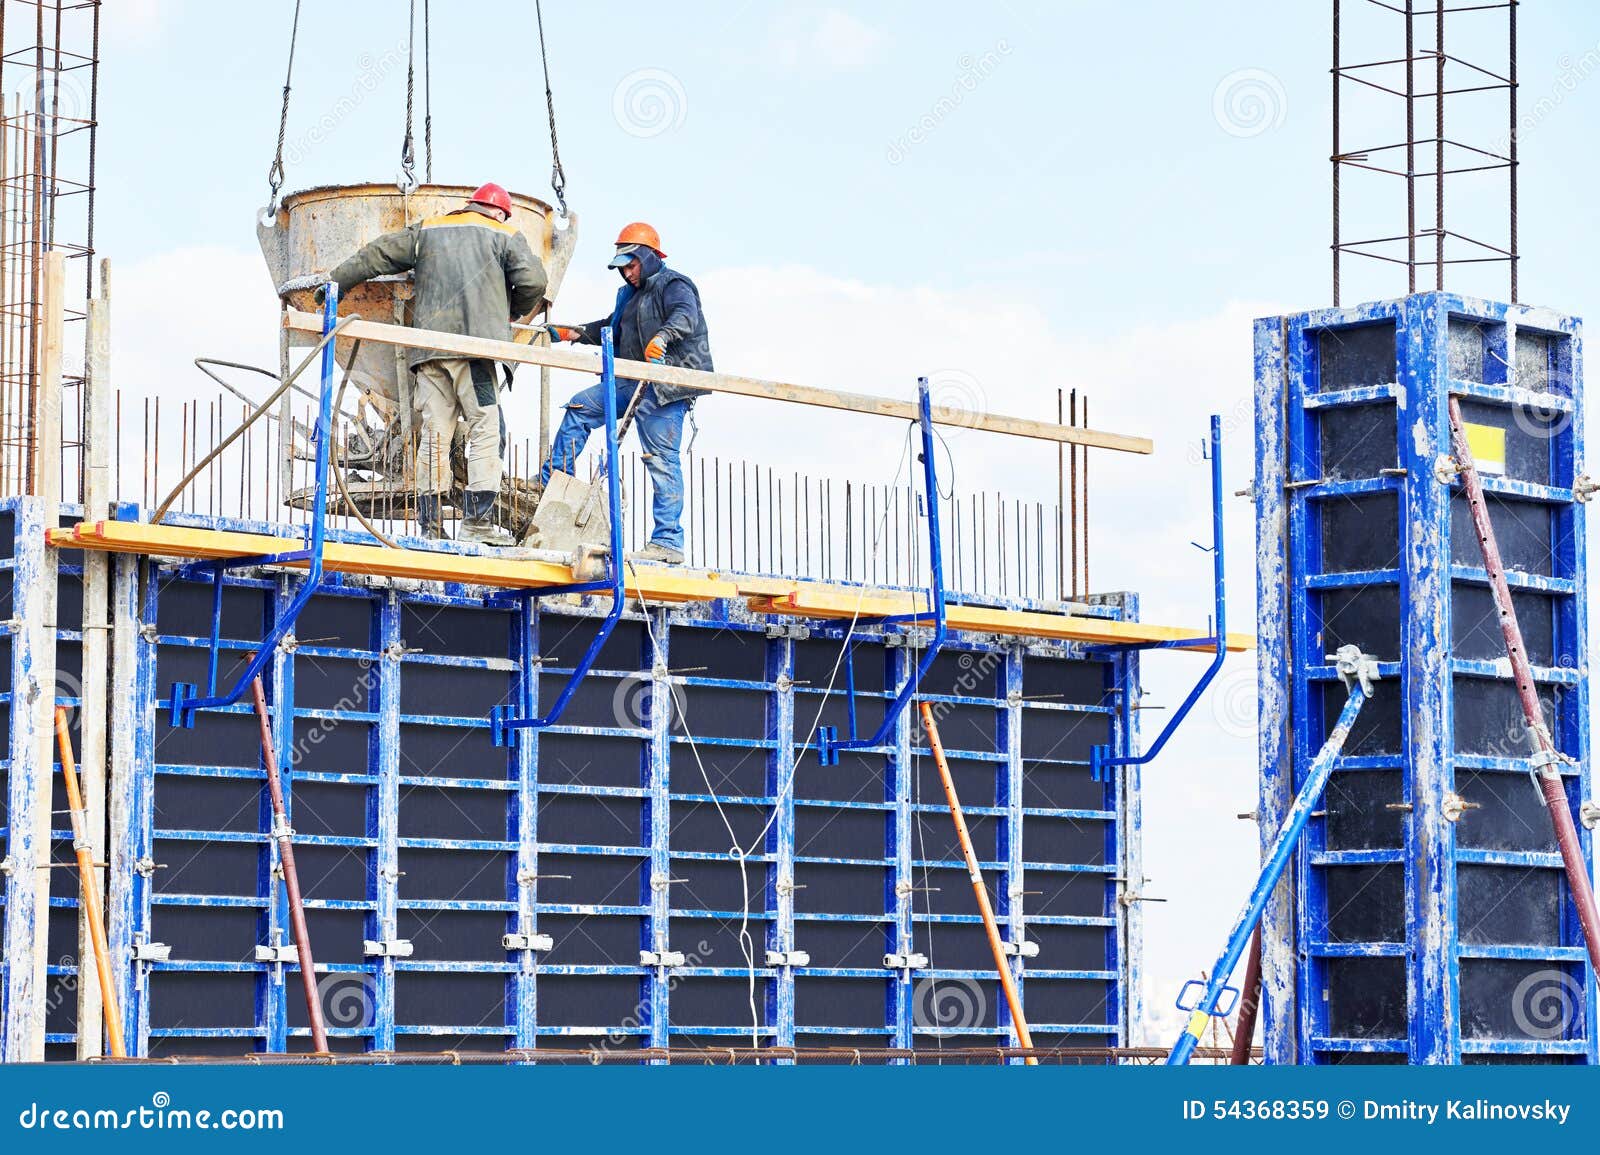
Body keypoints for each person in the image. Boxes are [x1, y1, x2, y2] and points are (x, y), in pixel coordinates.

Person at [319, 182, 547, 544]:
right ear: (500, 211)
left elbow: (378, 253)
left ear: (470, 206)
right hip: (475, 351)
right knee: (486, 429)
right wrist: (509, 312)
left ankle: (430, 527)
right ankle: (476, 525)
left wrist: (336, 282)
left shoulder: (430, 229)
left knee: (434, 436)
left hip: (426, 353)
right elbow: (534, 281)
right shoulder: (505, 234)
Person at [544, 222, 711, 564]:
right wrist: (574, 333)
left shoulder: (674, 284)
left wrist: (662, 338)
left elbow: (686, 316)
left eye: (631, 265)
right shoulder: (627, 295)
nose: (627, 273)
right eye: (622, 267)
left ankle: (668, 541)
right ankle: (554, 484)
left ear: (649, 258)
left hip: (666, 385)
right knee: (579, 408)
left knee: (660, 459)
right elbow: (613, 327)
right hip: (631, 379)